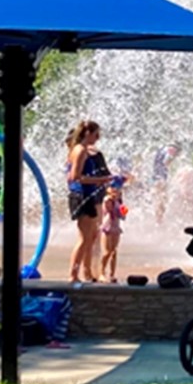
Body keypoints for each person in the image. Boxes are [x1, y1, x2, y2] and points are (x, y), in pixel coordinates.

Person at [65, 120, 112, 283]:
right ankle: (73, 275)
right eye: (96, 134)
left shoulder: (81, 149)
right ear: (87, 134)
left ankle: (87, 272)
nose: (98, 138)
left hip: (88, 196)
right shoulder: (80, 150)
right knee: (84, 238)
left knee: (92, 236)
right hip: (82, 197)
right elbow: (74, 177)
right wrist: (101, 179)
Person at [99, 182, 126, 283]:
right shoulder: (107, 200)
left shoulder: (119, 202)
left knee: (114, 251)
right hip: (107, 228)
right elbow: (108, 209)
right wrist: (113, 199)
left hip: (116, 228)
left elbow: (123, 216)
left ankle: (112, 274)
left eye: (117, 188)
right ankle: (101, 272)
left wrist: (123, 209)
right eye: (112, 188)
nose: (115, 190)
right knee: (107, 251)